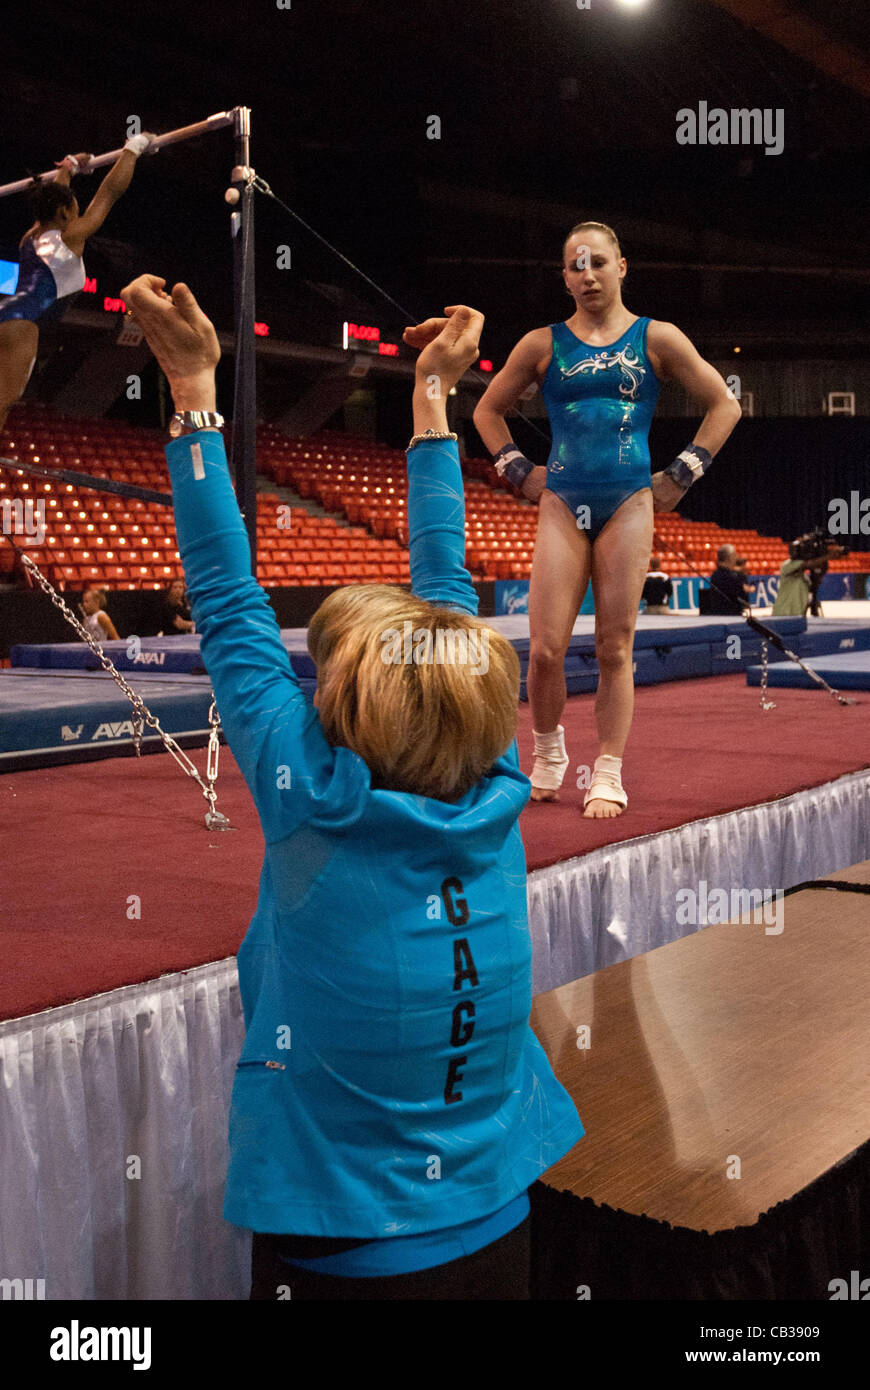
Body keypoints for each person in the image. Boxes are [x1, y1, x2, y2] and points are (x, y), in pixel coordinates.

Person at [121, 272, 584, 1301]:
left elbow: (232, 604)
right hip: (501, 1219)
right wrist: (430, 399)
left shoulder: (311, 799)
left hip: (351, 1247)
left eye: (325, 669)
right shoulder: (494, 778)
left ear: (342, 708)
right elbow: (441, 595)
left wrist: (194, 385)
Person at [473, 221, 741, 818]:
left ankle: (609, 771)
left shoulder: (658, 338)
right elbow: (488, 410)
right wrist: (518, 469)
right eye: (575, 265)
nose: (587, 274)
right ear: (564, 277)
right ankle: (547, 754)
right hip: (563, 499)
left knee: (615, 646)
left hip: (628, 501)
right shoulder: (541, 345)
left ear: (622, 267)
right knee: (544, 649)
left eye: (598, 262)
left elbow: (725, 403)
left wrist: (683, 472)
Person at [0, 131, 154, 433]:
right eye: (75, 206)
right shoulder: (71, 237)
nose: (79, 210)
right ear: (64, 213)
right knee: (4, 401)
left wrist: (68, 168)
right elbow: (109, 193)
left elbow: (54, 198)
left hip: (9, 313)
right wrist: (133, 148)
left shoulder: (31, 236)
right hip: (22, 322)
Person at [705, 543, 750, 615]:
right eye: (734, 555)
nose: (736, 558)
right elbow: (743, 592)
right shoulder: (729, 577)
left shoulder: (716, 575)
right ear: (729, 557)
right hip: (729, 617)